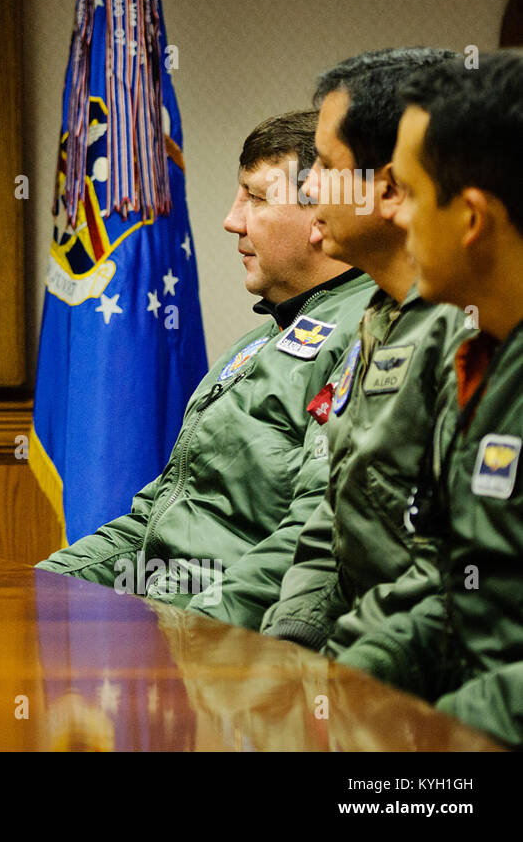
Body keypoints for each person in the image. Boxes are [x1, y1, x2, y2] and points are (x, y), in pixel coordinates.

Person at [36, 111, 372, 608]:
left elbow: (315, 538)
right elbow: (155, 521)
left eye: (256, 198)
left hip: (231, 643)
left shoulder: (369, 332)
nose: (231, 219)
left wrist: (190, 641)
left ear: (322, 216)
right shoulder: (258, 341)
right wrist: (38, 586)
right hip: (163, 616)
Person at [200, 48, 471, 638]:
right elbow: (328, 535)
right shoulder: (379, 317)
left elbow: (446, 588)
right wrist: (289, 656)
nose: (310, 188)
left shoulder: (465, 332)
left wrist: (310, 680)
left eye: (323, 165)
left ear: (392, 186)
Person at [342, 49, 523, 745]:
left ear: (471, 218)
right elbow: (459, 589)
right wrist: (335, 682)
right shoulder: (487, 357)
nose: (397, 216)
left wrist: (430, 747)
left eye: (410, 194)